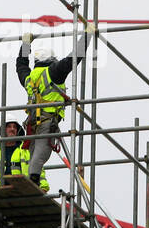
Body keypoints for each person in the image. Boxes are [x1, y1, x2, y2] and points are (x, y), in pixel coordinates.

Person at [16, 26, 93, 186]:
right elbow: (74, 58)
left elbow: (21, 66)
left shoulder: (30, 78)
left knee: (33, 155)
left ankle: (31, 179)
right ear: (51, 59)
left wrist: (25, 45)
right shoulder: (53, 72)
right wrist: (87, 35)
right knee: (41, 154)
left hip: (32, 122)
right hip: (46, 121)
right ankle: (33, 181)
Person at [0, 119, 48, 192]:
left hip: (22, 192)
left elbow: (37, 167)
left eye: (15, 127)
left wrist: (43, 186)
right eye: (9, 126)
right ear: (3, 130)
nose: (12, 129)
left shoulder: (26, 149)